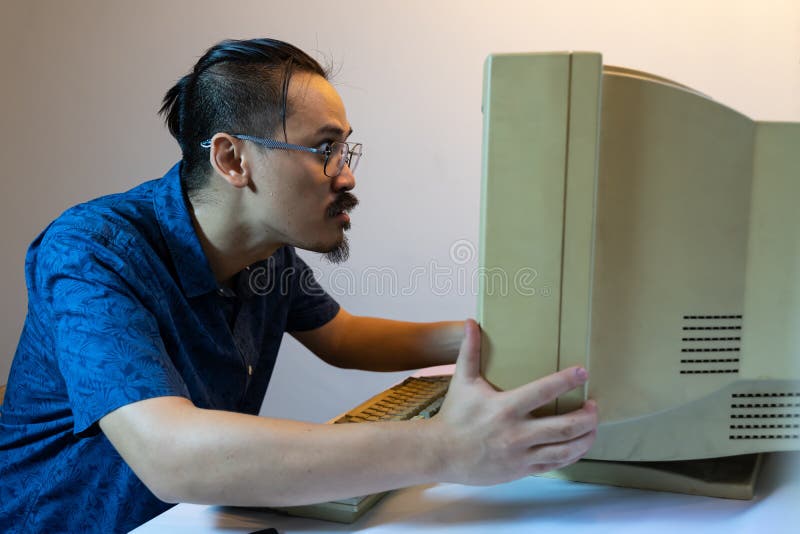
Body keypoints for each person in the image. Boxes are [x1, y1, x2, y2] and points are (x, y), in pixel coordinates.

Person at [0, 38, 598, 532]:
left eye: (344, 147)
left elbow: (341, 336)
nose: (348, 173)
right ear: (233, 160)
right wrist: (447, 447)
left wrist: (489, 337)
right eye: (324, 149)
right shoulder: (92, 250)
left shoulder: (268, 254)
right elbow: (169, 454)